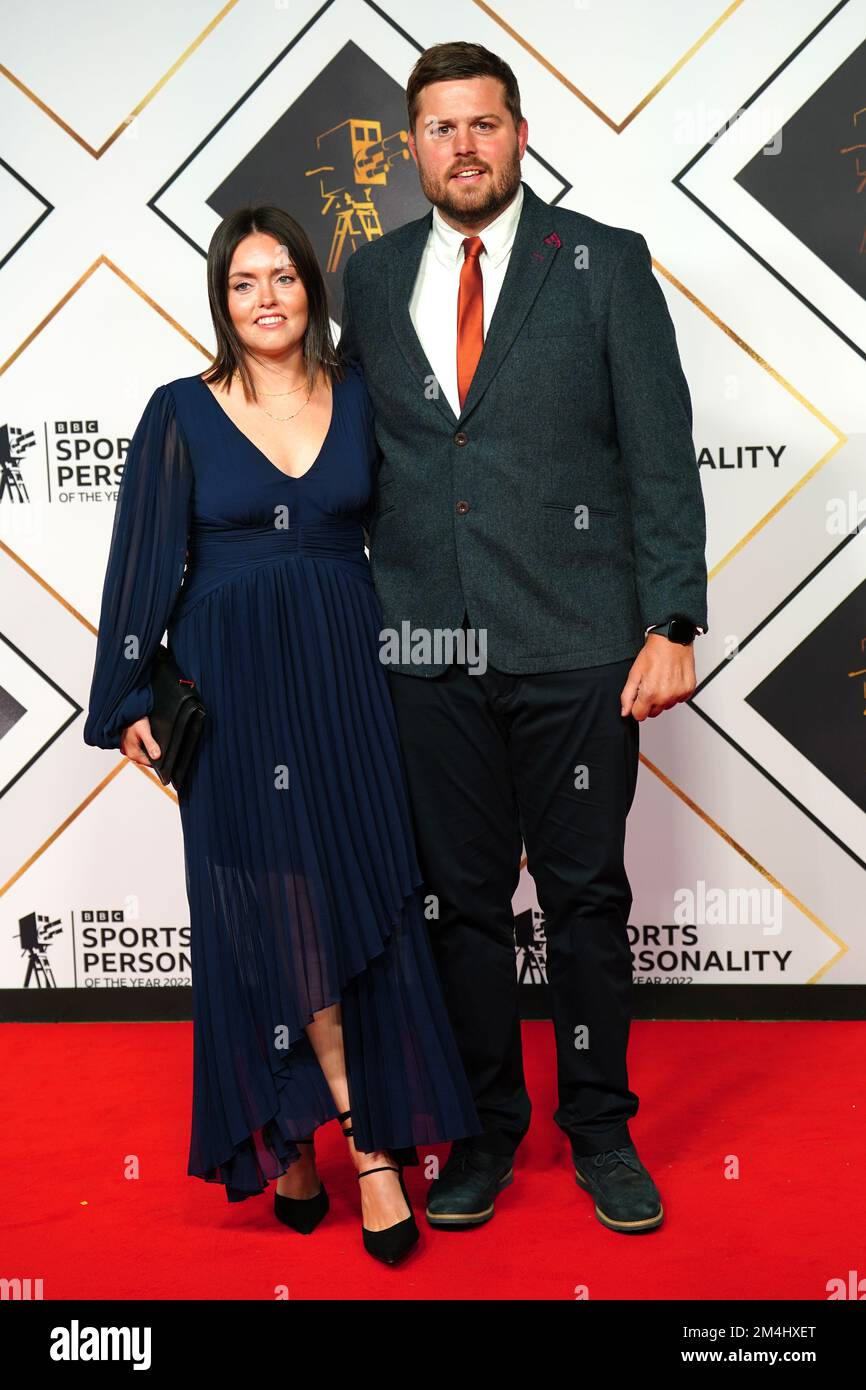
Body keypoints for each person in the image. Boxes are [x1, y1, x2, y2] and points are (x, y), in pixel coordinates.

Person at [338, 41, 709, 1235]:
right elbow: (361, 453)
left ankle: (597, 1126)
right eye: (438, 127)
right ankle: (486, 1130)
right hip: (425, 653)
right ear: (411, 147)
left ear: (520, 131)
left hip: (576, 646)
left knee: (584, 897)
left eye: (482, 124)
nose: (462, 145)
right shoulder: (371, 271)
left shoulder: (599, 262)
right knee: (460, 903)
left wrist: (670, 619)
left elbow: (658, 453)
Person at [82, 204, 482, 1265]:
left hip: (351, 674)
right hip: (234, 678)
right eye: (243, 282)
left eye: (284, 278)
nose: (266, 298)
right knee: (264, 909)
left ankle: (301, 1141)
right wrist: (125, 695)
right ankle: (366, 1148)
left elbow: (412, 535)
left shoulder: (361, 398)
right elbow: (141, 560)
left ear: (313, 288)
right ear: (220, 301)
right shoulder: (179, 410)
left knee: (356, 891)